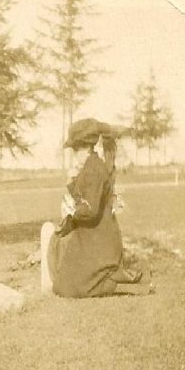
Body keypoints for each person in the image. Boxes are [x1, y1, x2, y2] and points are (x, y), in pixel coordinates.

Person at [45, 118, 151, 298]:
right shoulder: (90, 166)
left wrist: (72, 212)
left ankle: (125, 282)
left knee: (66, 287)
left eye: (75, 149)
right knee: (61, 273)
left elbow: (90, 210)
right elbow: (83, 197)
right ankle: (118, 278)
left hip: (98, 239)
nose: (74, 154)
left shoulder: (93, 170)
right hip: (94, 234)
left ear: (85, 148)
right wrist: (70, 183)